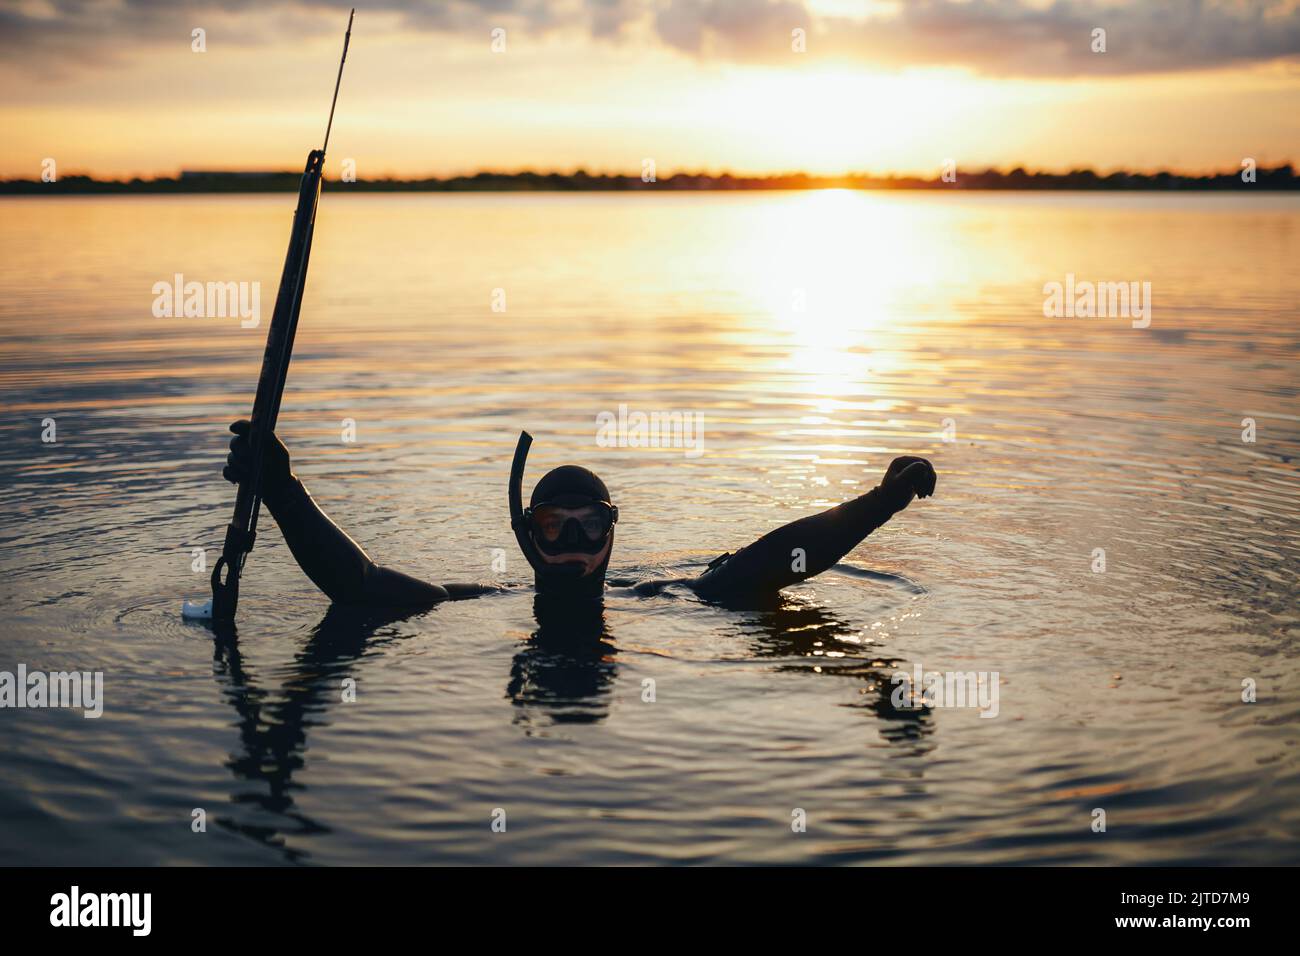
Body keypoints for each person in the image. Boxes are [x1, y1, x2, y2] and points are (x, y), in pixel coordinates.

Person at [222, 420, 936, 607]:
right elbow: (360, 582)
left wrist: (880, 502)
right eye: (552, 525)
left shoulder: (669, 598)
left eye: (589, 523)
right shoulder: (464, 603)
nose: (572, 540)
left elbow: (774, 559)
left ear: (612, 532)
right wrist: (284, 493)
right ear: (526, 537)